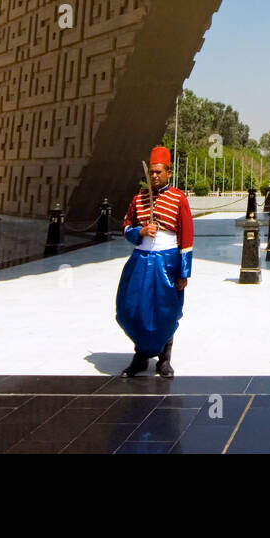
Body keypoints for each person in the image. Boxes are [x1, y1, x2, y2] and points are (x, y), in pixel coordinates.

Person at [116, 146, 193, 378]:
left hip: (167, 262)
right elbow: (126, 227)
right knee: (132, 309)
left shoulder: (179, 198)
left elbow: (186, 238)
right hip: (140, 260)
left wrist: (183, 272)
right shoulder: (138, 199)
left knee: (165, 310)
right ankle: (140, 356)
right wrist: (140, 231)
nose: (155, 176)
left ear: (168, 172)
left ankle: (164, 360)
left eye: (159, 172)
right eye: (151, 172)